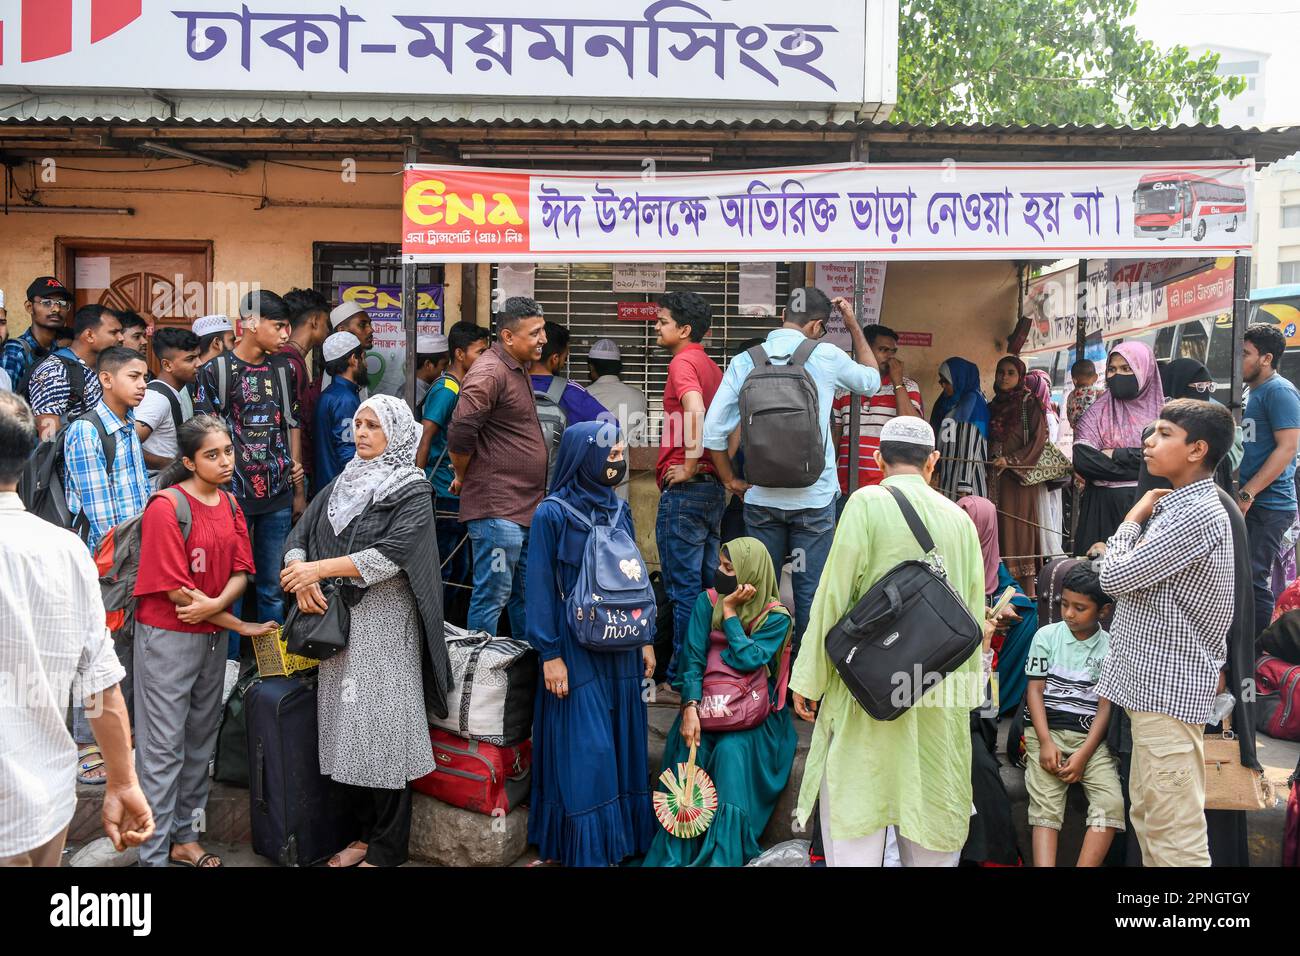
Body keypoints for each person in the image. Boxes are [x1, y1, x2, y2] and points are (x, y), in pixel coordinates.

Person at [791, 417, 986, 867]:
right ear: (933, 463)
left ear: (878, 459)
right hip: (936, 694)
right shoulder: (960, 520)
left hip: (867, 691)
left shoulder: (866, 502)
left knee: (857, 814)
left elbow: (833, 597)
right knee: (931, 816)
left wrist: (810, 679)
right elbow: (973, 617)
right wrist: (967, 694)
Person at [281, 396, 451, 868]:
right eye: (358, 424)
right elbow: (300, 534)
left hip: (384, 621)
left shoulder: (412, 488)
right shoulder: (343, 481)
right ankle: (360, 836)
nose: (362, 433)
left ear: (395, 432)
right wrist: (300, 579)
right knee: (346, 730)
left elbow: (391, 554)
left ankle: (387, 847)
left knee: (384, 730)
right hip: (338, 624)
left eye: (373, 426)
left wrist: (316, 570)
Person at [0, 391, 155, 867]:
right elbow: (98, 686)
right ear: (27, 459)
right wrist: (122, 780)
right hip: (44, 801)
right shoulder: (66, 550)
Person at [1096, 398, 1236, 867]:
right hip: (1155, 692)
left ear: (1197, 449)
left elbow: (1113, 579)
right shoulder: (1181, 506)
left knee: (1175, 834)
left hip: (1167, 693)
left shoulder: (1193, 513)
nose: (1149, 443)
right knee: (1154, 820)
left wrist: (1131, 519)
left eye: (1164, 434)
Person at [131, 415, 276, 867]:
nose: (225, 461)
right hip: (168, 638)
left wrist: (215, 608)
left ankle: (186, 837)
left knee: (199, 743)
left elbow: (242, 572)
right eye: (212, 455)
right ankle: (150, 854)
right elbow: (175, 588)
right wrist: (237, 624)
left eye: (228, 451)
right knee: (161, 748)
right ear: (189, 462)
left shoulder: (231, 505)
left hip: (210, 636)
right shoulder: (166, 506)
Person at [705, 288, 880, 660]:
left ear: (783, 314)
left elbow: (712, 431)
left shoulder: (745, 360)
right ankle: (803, 684)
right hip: (814, 502)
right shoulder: (827, 355)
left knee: (759, 592)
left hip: (761, 498)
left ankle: (760, 678)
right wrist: (853, 326)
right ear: (818, 324)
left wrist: (729, 481)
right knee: (810, 593)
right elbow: (871, 381)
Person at [524, 421, 657, 866]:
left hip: (620, 642)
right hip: (573, 646)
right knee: (588, 750)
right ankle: (583, 848)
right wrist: (549, 654)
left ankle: (620, 842)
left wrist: (644, 640)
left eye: (621, 453)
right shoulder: (551, 513)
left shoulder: (618, 509)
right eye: (611, 454)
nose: (617, 462)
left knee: (620, 743)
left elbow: (632, 578)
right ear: (585, 457)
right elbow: (539, 587)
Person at [643, 537, 797, 867]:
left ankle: (722, 854)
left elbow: (750, 658)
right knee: (688, 750)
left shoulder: (777, 617)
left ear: (751, 573)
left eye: (729, 568)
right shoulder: (705, 601)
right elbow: (693, 660)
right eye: (720, 565)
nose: (720, 573)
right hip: (706, 706)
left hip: (753, 713)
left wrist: (729, 615)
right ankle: (678, 851)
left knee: (730, 754)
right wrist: (689, 708)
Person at [194, 291, 304, 625]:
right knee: (231, 585)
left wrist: (297, 486)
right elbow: (203, 433)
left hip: (277, 496)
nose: (286, 334)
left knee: (273, 586)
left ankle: (271, 668)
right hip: (231, 498)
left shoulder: (285, 369)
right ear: (252, 324)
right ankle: (227, 669)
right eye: (280, 326)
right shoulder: (216, 371)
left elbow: (292, 422)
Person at [447, 297, 549, 637]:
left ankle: (524, 678)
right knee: (493, 595)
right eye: (535, 332)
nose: (543, 339)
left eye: (542, 330)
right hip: (498, 514)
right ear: (507, 336)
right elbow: (461, 429)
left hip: (523, 509)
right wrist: (461, 474)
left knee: (525, 597)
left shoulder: (515, 367)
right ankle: (479, 681)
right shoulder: (490, 371)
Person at [1022, 563, 1124, 867]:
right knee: (1045, 807)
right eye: (1064, 604)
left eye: (1080, 608)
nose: (1068, 613)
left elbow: (1105, 707)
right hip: (1046, 732)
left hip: (1090, 740)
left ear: (1102, 611)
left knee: (1110, 804)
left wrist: (1083, 755)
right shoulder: (1045, 637)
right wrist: (1045, 742)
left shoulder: (1110, 649)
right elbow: (1035, 692)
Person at [652, 291, 724, 702]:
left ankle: (680, 682)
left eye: (662, 321)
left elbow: (695, 411)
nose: (656, 327)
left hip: (688, 489)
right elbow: (727, 425)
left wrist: (692, 464)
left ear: (684, 329)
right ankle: (703, 676)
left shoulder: (682, 363)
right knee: (704, 592)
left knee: (682, 593)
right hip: (712, 491)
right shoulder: (712, 367)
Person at [416, 320, 491, 628]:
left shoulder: (466, 388)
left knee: (461, 570)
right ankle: (437, 631)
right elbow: (426, 436)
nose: (486, 359)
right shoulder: (447, 389)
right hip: (443, 494)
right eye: (480, 352)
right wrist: (416, 485)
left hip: (462, 495)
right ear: (459, 354)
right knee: (446, 570)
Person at [1237, 323, 1300, 637]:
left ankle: (1255, 654)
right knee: (1242, 578)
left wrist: (1248, 494)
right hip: (1254, 503)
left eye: (1245, 353)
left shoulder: (1279, 391)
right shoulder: (1253, 391)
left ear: (1266, 358)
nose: (1239, 359)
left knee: (1252, 580)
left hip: (1270, 505)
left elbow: (1287, 448)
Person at [1071, 342, 1164, 552]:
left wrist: (1116, 454)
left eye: (1126, 368)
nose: (1117, 375)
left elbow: (1168, 458)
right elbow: (1084, 460)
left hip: (1150, 510)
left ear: (1144, 370)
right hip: (1101, 510)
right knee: (1094, 575)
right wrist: (1141, 468)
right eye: (1112, 369)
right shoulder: (1097, 413)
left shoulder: (1165, 414)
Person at [64, 346, 151, 555]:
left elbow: (142, 488)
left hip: (137, 545)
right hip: (109, 555)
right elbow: (99, 512)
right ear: (106, 379)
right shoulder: (86, 431)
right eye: (134, 376)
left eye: (144, 377)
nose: (143, 385)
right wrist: (120, 557)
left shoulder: (129, 423)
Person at [957, 495, 1038, 716]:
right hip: (956, 626)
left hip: (989, 627)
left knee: (1030, 613)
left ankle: (996, 702)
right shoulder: (951, 551)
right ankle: (978, 707)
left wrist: (1009, 603)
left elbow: (1007, 584)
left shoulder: (988, 553)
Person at [832, 322, 923, 500]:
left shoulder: (908, 387)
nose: (889, 357)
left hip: (888, 490)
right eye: (883, 350)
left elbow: (913, 427)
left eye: (893, 351)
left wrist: (897, 383)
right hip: (846, 489)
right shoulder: (843, 389)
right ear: (864, 350)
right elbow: (836, 436)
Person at [986, 355, 1047, 596]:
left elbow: (1039, 439)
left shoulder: (1029, 403)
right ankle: (999, 586)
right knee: (997, 524)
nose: (1004, 377)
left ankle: (1024, 591)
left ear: (1020, 376)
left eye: (1011, 372)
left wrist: (1011, 461)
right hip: (994, 478)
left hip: (1018, 479)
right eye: (1001, 371)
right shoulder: (993, 405)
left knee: (1017, 529)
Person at [29, 304, 124, 439]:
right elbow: (48, 437)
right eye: (113, 332)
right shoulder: (55, 371)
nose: (121, 338)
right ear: (89, 335)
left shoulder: (103, 367)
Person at [275, 288, 331, 495]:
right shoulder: (290, 363)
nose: (328, 329)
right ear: (315, 321)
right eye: (326, 322)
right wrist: (299, 490)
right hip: (294, 472)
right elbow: (292, 424)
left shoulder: (290, 358)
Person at [585, 337, 649, 502]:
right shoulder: (637, 397)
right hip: (619, 491)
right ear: (618, 368)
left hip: (585, 488)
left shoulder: (581, 396)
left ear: (592, 367)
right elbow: (636, 440)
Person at [135, 327, 199, 477]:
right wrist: (172, 464)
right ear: (167, 365)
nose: (199, 363)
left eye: (198, 356)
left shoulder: (171, 393)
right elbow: (125, 445)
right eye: (190, 359)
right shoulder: (157, 399)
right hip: (153, 489)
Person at [930, 357, 990, 501]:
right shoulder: (949, 402)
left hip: (967, 484)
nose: (943, 385)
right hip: (949, 477)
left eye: (946, 381)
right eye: (941, 381)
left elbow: (970, 447)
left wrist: (964, 487)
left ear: (959, 379)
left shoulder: (973, 403)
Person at [1, 276, 72, 396]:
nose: (56, 309)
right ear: (29, 307)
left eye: (62, 303)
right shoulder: (16, 351)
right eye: (47, 302)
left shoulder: (63, 350)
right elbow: (6, 403)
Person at [313, 331, 366, 488]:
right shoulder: (345, 399)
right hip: (339, 489)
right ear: (353, 360)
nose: (366, 364)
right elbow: (348, 452)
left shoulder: (330, 394)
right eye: (363, 358)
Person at [530, 320, 610, 422]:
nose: (564, 364)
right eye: (565, 358)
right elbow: (610, 425)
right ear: (554, 359)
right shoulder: (570, 391)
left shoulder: (510, 386)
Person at [1025, 368, 1064, 562]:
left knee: (1046, 513)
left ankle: (1047, 555)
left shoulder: (1045, 415)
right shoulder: (1049, 412)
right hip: (1044, 473)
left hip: (1041, 474)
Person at [414, 332, 450, 409]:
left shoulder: (428, 387)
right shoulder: (413, 395)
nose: (447, 369)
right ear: (428, 364)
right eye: (444, 364)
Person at [1065, 358, 1102, 432]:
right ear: (1095, 378)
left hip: (1078, 438)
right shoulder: (1099, 393)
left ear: (1074, 380)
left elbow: (1070, 419)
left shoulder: (1071, 396)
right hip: (1095, 438)